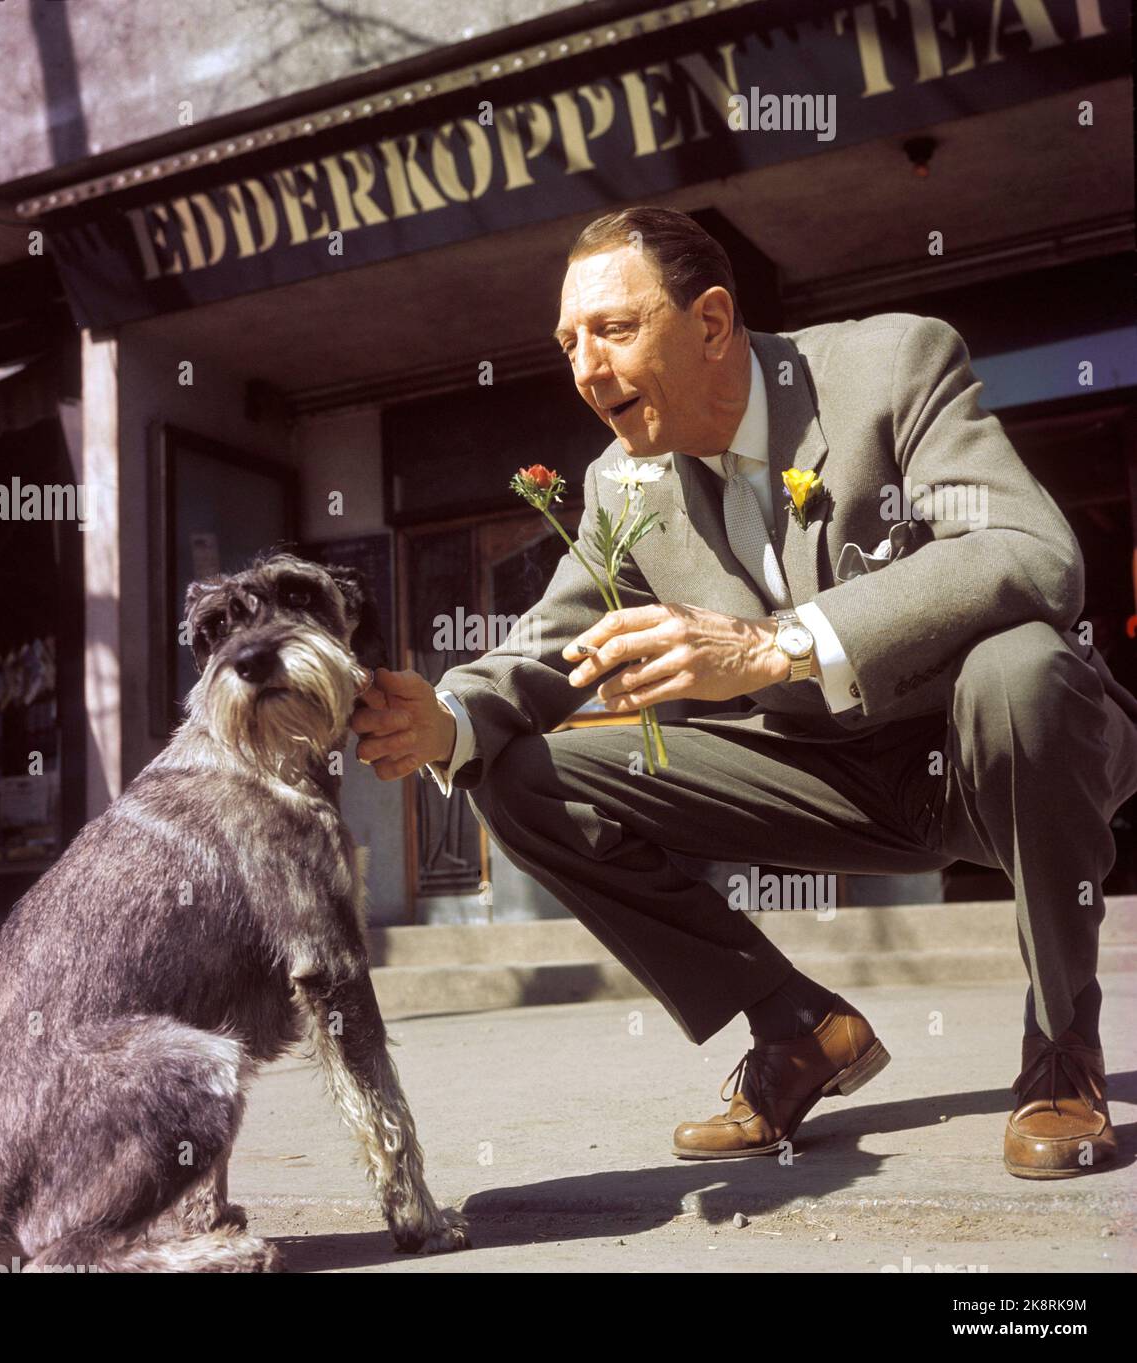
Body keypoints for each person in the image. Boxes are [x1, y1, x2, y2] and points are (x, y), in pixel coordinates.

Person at [349, 206, 1137, 1179]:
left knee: (1020, 663)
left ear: (712, 323)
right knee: (518, 777)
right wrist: (447, 715)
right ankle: (797, 1029)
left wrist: (781, 644)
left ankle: (1062, 1048)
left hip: (993, 749)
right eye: (567, 343)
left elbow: (1028, 551)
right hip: (826, 777)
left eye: (614, 330)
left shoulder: (894, 366)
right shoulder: (620, 486)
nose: (585, 368)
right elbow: (555, 644)